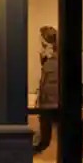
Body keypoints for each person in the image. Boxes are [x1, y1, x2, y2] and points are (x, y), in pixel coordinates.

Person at [33, 25, 59, 154]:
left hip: (51, 107)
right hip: (49, 106)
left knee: (43, 142)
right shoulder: (50, 62)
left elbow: (50, 91)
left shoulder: (53, 64)